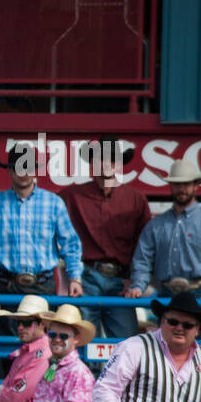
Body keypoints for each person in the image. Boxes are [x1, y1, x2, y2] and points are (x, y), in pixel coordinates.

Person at [0, 146, 83, 334]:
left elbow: (70, 243)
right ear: (10, 170)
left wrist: (75, 278)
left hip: (42, 285)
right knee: (7, 347)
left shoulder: (54, 203)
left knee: (42, 345)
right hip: (7, 285)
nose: (23, 172)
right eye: (18, 167)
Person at [59, 136, 152, 338]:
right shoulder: (70, 197)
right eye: (100, 158)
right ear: (92, 163)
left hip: (121, 280)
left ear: (119, 164)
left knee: (126, 343)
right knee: (82, 340)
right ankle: (85, 372)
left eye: (111, 159)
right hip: (85, 278)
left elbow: (144, 246)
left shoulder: (136, 199)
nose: (106, 164)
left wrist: (133, 279)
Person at [127, 161, 201, 323]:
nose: (182, 189)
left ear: (196, 186)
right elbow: (142, 262)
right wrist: (138, 286)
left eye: (186, 184)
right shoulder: (155, 226)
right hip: (167, 293)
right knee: (167, 346)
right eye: (177, 184)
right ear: (170, 186)